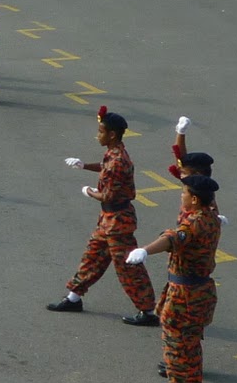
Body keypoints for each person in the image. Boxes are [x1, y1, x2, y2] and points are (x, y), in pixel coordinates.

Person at [47, 106, 160, 325]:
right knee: (93, 257)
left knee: (128, 268)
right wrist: (84, 166)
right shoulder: (113, 153)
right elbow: (104, 167)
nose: (97, 135)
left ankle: (147, 311)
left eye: (101, 132)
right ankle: (73, 298)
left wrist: (89, 191)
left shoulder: (118, 160)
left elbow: (108, 195)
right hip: (108, 220)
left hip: (118, 222)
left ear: (112, 134)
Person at [126, 174, 222, 383]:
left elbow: (172, 238)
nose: (181, 196)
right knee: (190, 351)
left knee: (180, 356)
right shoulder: (211, 217)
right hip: (199, 293)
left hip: (184, 298)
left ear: (194, 199)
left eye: (184, 193)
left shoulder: (193, 224)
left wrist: (145, 250)